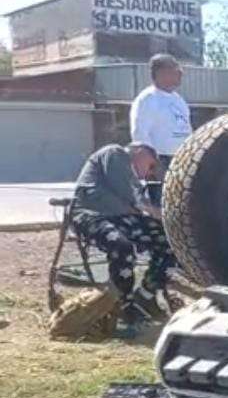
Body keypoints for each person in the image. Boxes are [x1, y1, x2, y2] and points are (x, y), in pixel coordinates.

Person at [71, 143, 174, 324]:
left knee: (172, 242)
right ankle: (123, 304)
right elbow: (129, 193)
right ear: (140, 152)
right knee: (121, 245)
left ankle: (146, 295)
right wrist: (154, 211)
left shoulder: (130, 175)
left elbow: (134, 200)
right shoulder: (116, 153)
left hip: (121, 217)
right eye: (151, 165)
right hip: (91, 214)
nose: (149, 172)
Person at [130, 54, 192, 174]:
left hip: (182, 160)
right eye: (175, 69)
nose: (181, 73)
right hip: (160, 162)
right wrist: (150, 165)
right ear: (161, 73)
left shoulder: (179, 100)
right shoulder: (147, 99)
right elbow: (140, 134)